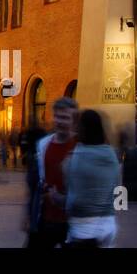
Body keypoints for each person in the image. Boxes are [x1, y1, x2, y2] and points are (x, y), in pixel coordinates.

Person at [63, 109, 122, 247]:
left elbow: (71, 197)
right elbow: (119, 190)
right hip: (108, 226)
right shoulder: (111, 154)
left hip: (83, 228)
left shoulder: (76, 155)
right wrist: (114, 211)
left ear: (82, 129)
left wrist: (56, 197)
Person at [29, 97, 78, 248]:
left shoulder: (80, 147)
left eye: (65, 118)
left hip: (73, 222)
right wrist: (30, 215)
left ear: (73, 121)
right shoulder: (43, 145)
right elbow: (35, 182)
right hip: (46, 218)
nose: (60, 121)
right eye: (57, 116)